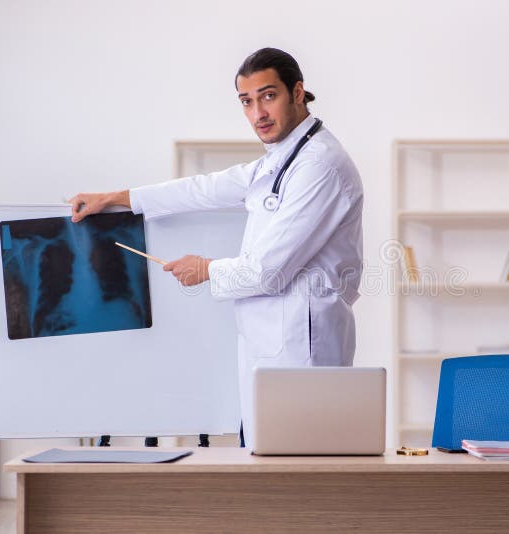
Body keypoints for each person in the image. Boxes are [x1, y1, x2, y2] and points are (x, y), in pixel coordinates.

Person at [68, 48, 363, 449]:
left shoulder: (319, 165)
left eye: (268, 95)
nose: (258, 112)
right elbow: (204, 188)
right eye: (247, 101)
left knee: (298, 478)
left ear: (298, 93)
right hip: (269, 347)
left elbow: (267, 271)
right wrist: (119, 198)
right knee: (264, 467)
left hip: (301, 350)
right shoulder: (280, 160)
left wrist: (205, 269)